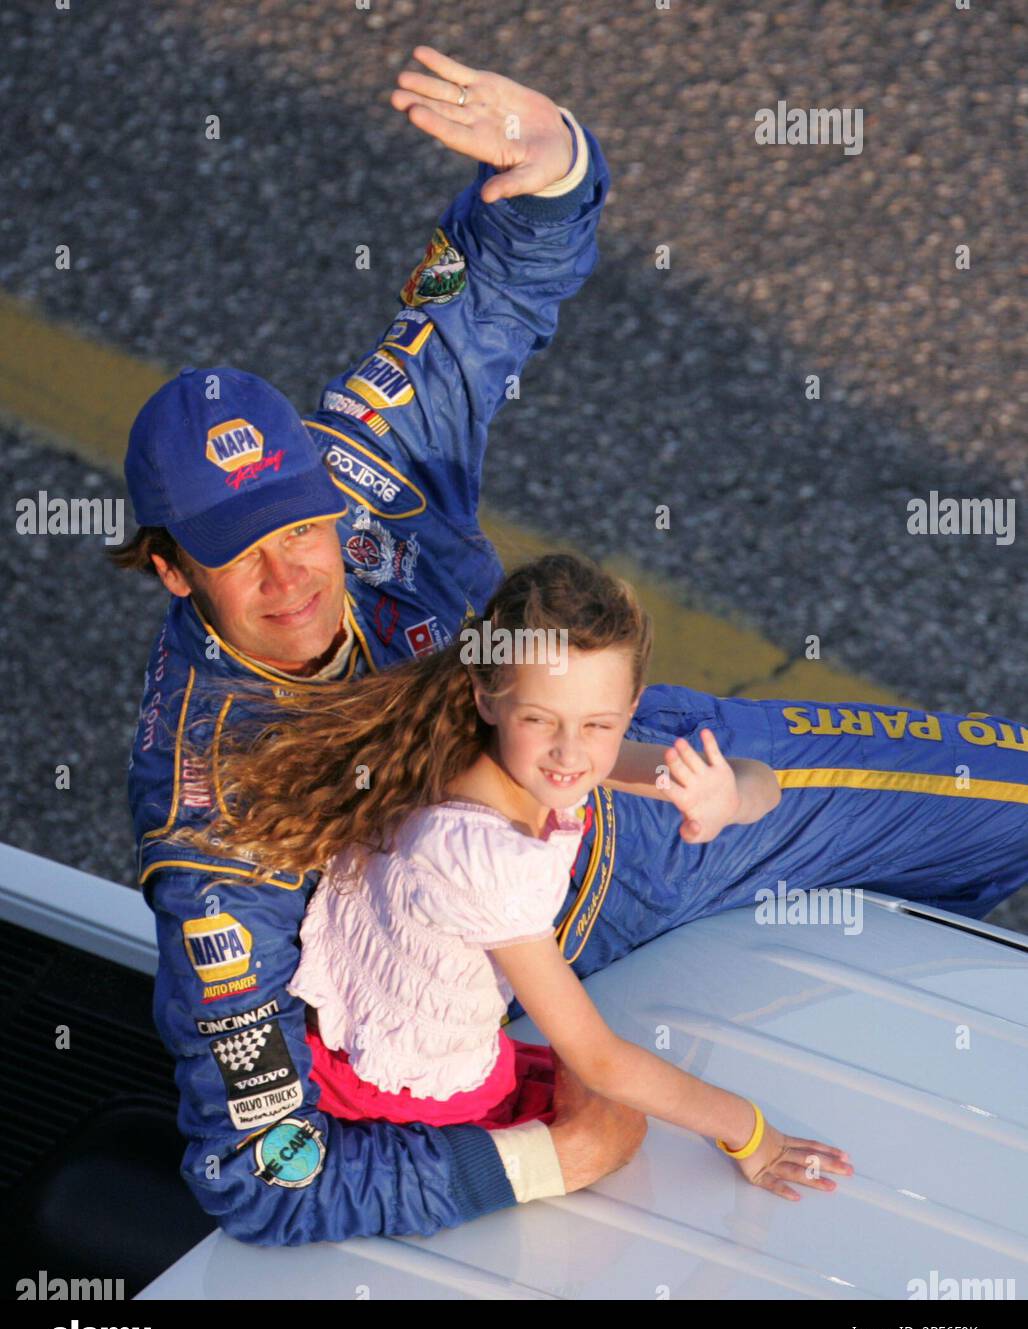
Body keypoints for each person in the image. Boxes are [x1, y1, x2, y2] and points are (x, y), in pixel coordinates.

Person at [117, 46, 1028, 1246]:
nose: (290, 572)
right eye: (239, 553)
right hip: (509, 969)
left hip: (626, 796)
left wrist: (553, 172)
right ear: (173, 571)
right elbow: (259, 1171)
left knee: (1003, 792)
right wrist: (556, 1157)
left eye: (300, 524)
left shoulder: (363, 477)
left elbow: (473, 313)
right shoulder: (209, 817)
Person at [178, 553, 852, 1203]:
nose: (571, 754)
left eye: (600, 724)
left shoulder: (484, 738)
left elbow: (761, 782)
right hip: (406, 1090)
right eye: (542, 720)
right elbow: (599, 1059)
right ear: (491, 696)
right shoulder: (482, 858)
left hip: (397, 1037)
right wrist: (749, 1133)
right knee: (618, 1126)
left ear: (630, 705)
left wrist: (726, 798)